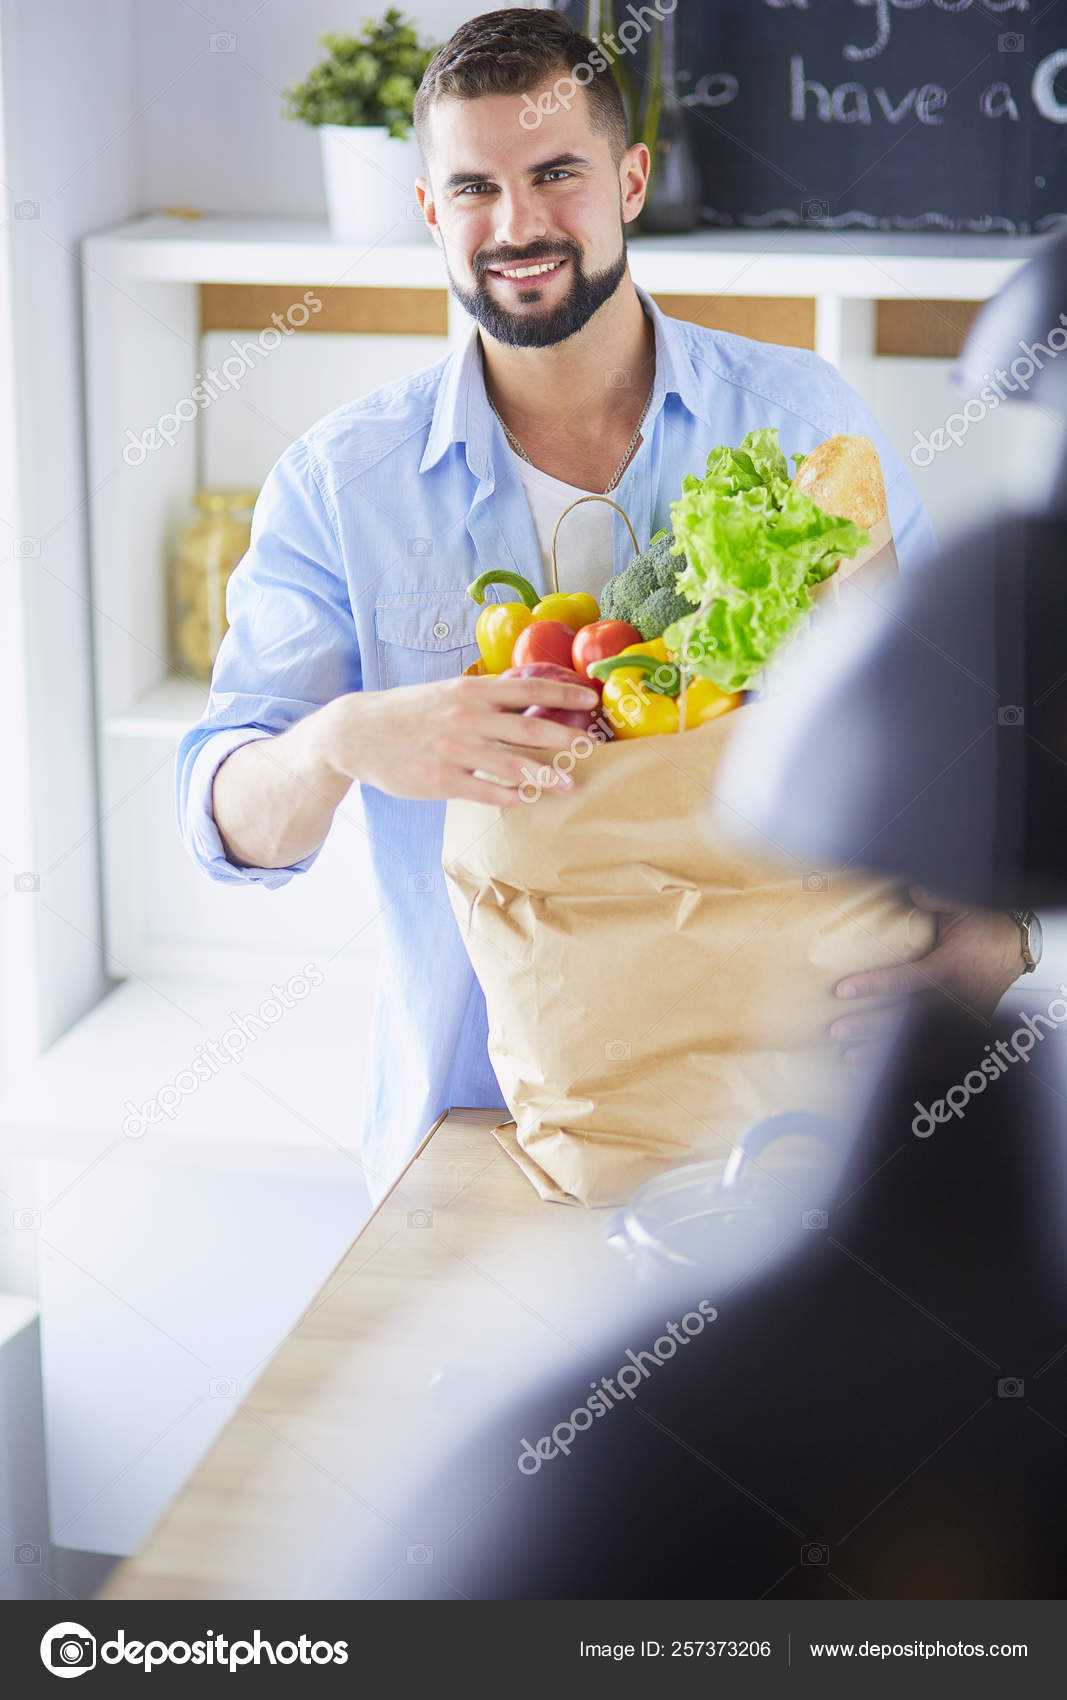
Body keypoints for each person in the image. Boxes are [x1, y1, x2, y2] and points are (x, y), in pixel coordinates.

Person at [176, 8, 1028, 1206]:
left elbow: (942, 734)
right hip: (479, 1126)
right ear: (430, 212)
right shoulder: (336, 483)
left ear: (627, 180)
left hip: (795, 1116)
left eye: (555, 173)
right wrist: (344, 738)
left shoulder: (798, 419)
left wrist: (988, 945)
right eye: (471, 186)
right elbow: (228, 821)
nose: (516, 224)